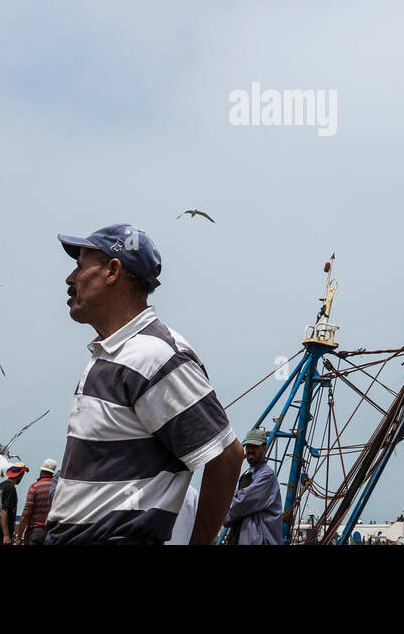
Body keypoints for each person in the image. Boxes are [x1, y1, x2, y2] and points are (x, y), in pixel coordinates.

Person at [45, 224, 243, 544]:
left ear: (112, 271)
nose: (70, 279)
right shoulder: (111, 356)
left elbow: (227, 456)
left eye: (80, 266)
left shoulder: (153, 356)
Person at [223, 428, 283, 545]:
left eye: (254, 446)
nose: (250, 450)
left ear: (264, 448)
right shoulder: (248, 473)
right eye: (248, 446)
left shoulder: (267, 475)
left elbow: (243, 501)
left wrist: (218, 514)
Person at [15, 460, 56, 545]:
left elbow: (26, 513)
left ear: (42, 471)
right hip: (53, 532)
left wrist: (19, 537)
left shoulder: (35, 487)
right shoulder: (58, 488)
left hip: (36, 532)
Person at [0, 463, 27, 545]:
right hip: (2, 535)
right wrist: (6, 535)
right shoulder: (10, 488)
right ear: (21, 474)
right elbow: (3, 511)